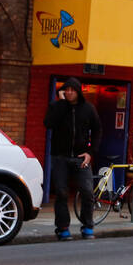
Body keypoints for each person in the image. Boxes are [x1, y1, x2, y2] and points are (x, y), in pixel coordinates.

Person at [43, 77, 103, 240]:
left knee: (87, 191)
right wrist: (62, 104)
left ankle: (88, 227)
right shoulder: (56, 106)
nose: (69, 92)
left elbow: (98, 131)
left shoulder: (88, 109)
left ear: (78, 92)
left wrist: (90, 153)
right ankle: (62, 229)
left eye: (72, 90)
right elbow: (48, 123)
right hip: (60, 157)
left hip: (81, 158)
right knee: (61, 193)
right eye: (66, 90)